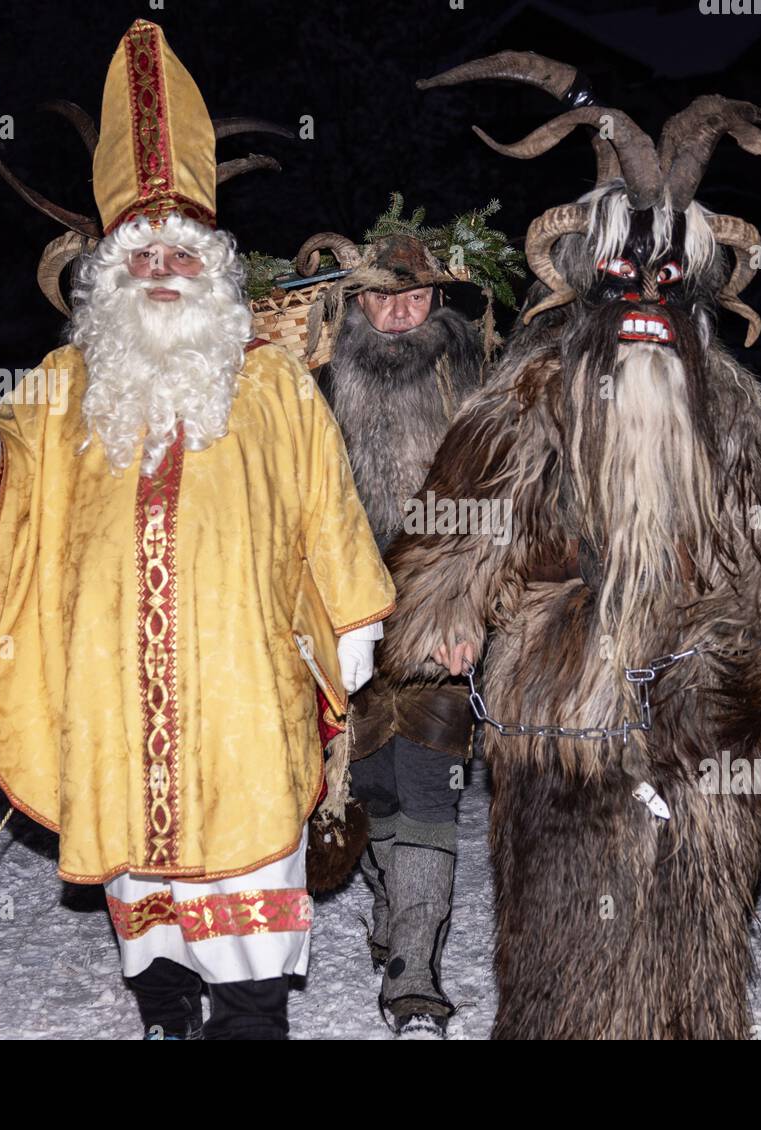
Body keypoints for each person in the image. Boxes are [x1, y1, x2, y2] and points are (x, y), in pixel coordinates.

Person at [0, 19, 394, 1039]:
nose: (162, 268)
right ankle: (162, 1011)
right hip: (109, 692)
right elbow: (7, 511)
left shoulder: (270, 379)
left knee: (247, 874)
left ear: (215, 265)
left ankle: (248, 1021)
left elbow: (325, 500)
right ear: (107, 272)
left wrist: (354, 618)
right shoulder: (61, 386)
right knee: (146, 891)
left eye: (182, 251)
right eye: (140, 253)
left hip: (242, 691)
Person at [293, 223, 488, 1037]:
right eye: (382, 294)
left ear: (439, 296)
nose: (401, 311)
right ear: (354, 298)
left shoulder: (469, 372)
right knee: (368, 788)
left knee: (431, 787)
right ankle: (390, 905)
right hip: (345, 614)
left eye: (416, 294)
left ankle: (416, 972)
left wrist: (471, 605)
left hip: (441, 610)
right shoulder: (314, 379)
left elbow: (495, 500)